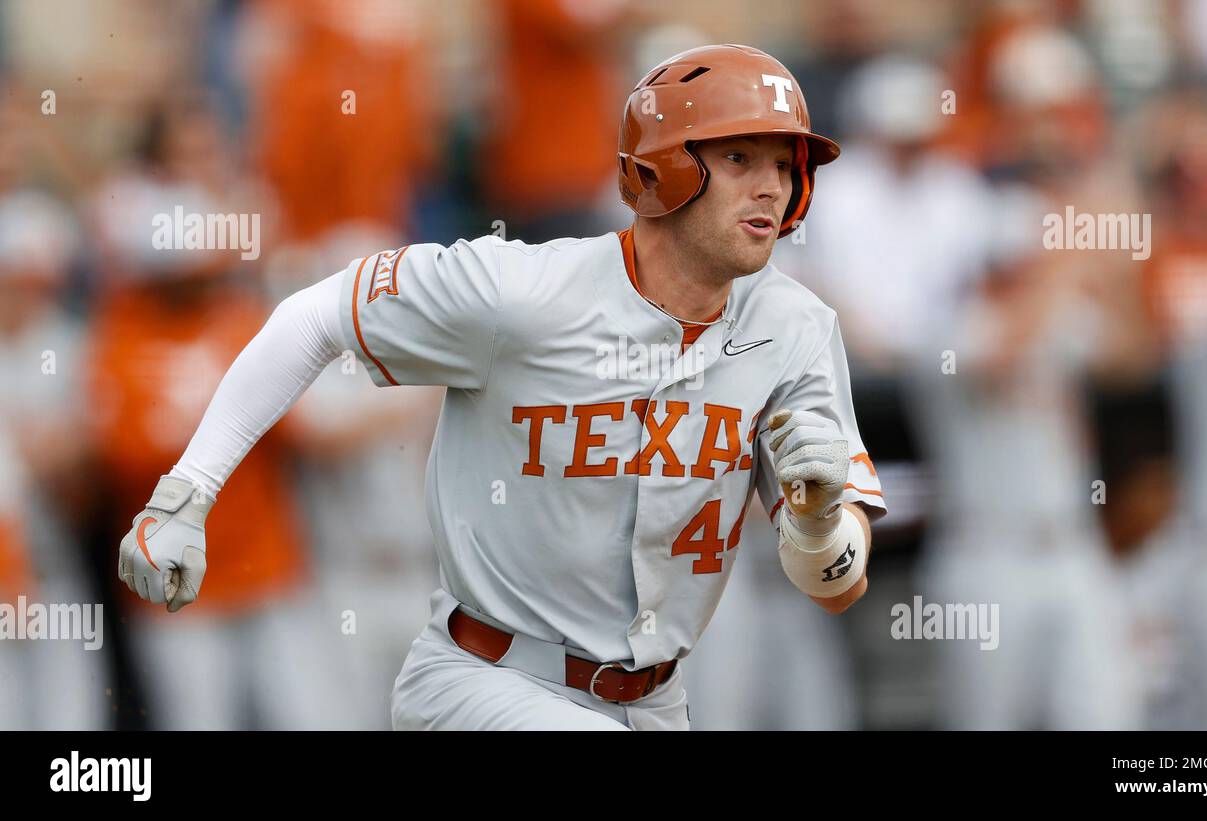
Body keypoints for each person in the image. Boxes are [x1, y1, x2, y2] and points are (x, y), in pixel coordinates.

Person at [115, 44, 886, 731]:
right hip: (485, 680)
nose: (773, 186)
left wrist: (818, 525)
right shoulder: (523, 290)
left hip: (654, 701)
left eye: (786, 164)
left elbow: (835, 587)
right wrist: (186, 493)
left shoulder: (795, 327)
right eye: (742, 157)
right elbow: (316, 315)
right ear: (665, 167)